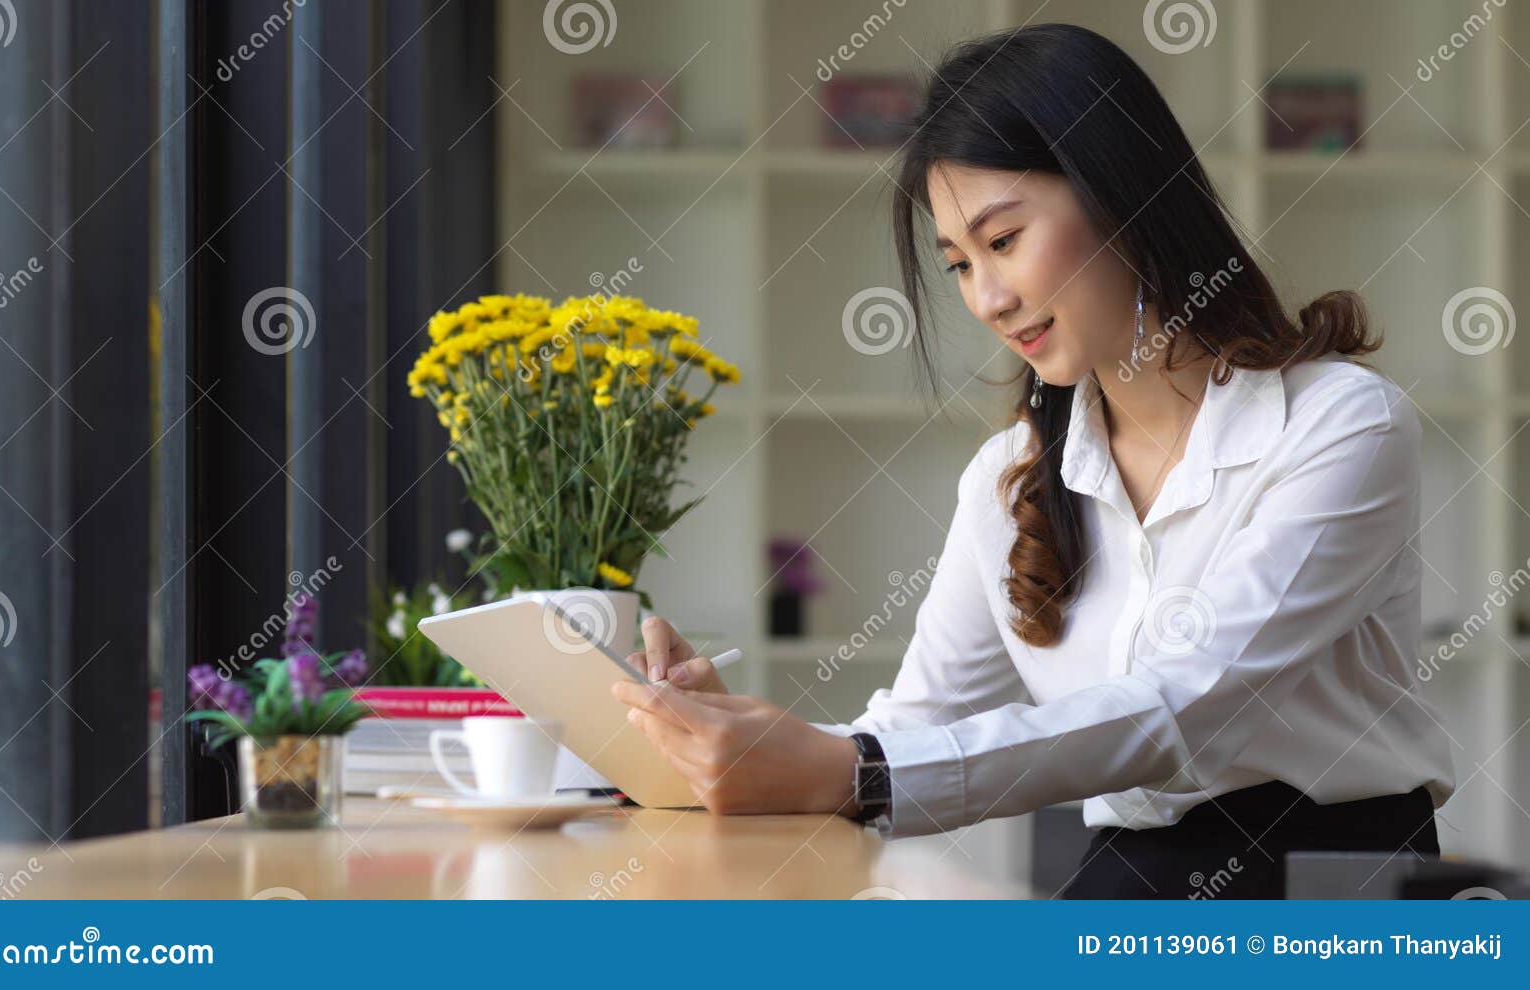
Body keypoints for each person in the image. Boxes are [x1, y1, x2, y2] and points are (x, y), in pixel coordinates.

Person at [609, 23, 1454, 899]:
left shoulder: (1341, 426)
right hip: (1128, 880)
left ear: (1121, 193)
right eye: (958, 265)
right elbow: (913, 727)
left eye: (1004, 240)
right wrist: (725, 739)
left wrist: (850, 769)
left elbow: (1182, 704)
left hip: (1333, 890)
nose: (987, 299)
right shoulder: (1005, 477)